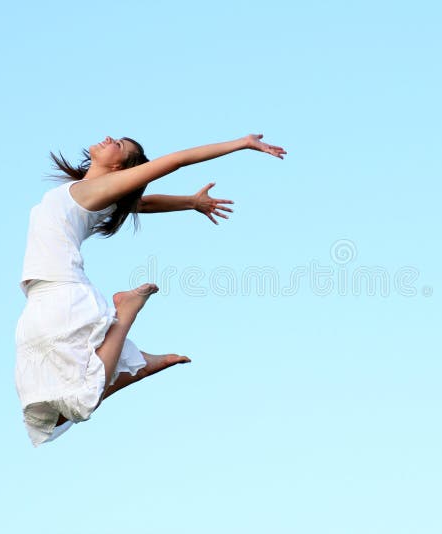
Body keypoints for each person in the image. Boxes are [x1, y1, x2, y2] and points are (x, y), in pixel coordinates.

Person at [15, 133, 286, 446]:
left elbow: (177, 160)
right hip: (44, 296)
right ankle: (138, 366)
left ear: (118, 167)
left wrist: (241, 143)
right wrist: (190, 202)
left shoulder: (93, 192)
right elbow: (142, 203)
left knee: (74, 401)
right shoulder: (94, 193)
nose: (108, 139)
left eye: (119, 145)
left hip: (60, 292)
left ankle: (127, 311)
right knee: (52, 409)